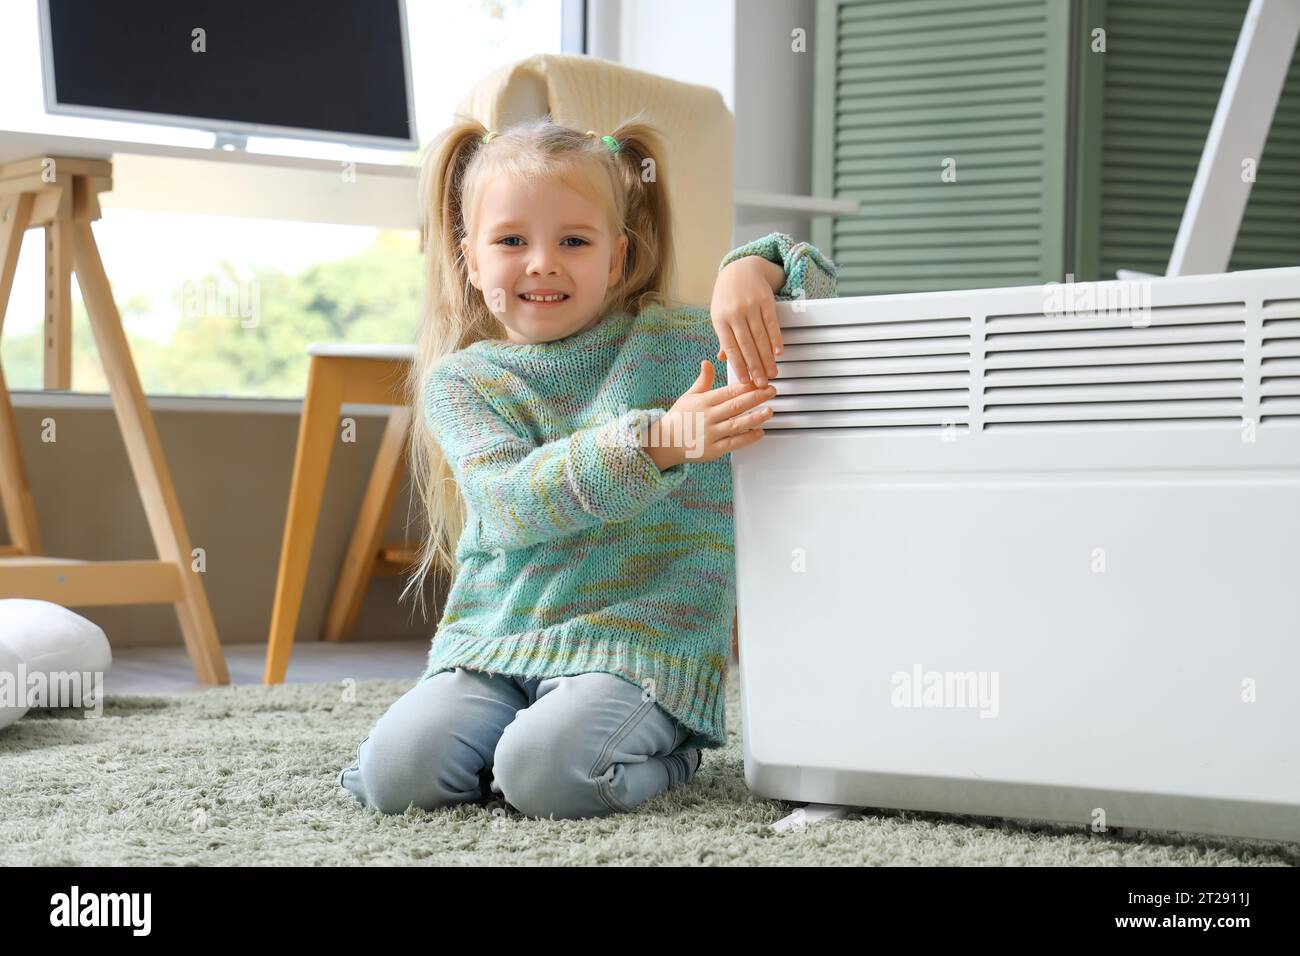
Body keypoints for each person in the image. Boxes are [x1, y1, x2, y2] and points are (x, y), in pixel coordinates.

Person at [340, 112, 837, 820]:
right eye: (511, 241)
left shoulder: (675, 346)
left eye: (573, 241)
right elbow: (511, 501)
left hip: (638, 647)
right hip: (494, 644)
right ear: (470, 260)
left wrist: (751, 268)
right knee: (395, 778)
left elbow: (821, 300)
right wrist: (656, 442)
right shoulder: (462, 381)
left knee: (543, 774)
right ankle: (506, 753)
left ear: (616, 259)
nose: (542, 261)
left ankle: (671, 753)